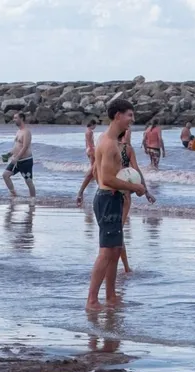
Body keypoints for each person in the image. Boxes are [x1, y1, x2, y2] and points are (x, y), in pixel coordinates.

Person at [84, 98, 153, 311]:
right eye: (129, 115)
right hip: (107, 198)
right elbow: (107, 178)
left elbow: (103, 174)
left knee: (114, 250)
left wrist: (129, 187)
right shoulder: (108, 144)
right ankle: (92, 301)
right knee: (106, 251)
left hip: (111, 198)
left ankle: (111, 296)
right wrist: (136, 188)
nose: (132, 120)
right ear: (117, 116)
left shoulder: (112, 142)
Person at [2, 112, 35, 197]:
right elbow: (17, 146)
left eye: (16, 118)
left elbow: (25, 147)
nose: (14, 120)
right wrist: (9, 154)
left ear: (22, 119)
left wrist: (17, 158)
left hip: (25, 161)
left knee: (28, 181)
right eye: (14, 118)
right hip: (16, 161)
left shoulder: (26, 132)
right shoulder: (18, 131)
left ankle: (33, 199)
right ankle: (14, 195)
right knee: (5, 175)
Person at [76, 120, 100, 205]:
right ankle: (90, 176)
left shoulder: (87, 131)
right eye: (95, 125)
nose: (95, 127)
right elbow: (90, 143)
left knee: (92, 165)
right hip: (91, 149)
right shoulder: (90, 132)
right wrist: (94, 150)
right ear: (92, 124)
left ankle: (91, 176)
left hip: (87, 149)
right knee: (93, 165)